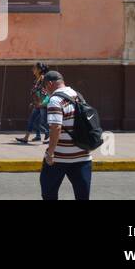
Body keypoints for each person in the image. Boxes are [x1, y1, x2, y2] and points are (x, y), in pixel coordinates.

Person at [39, 70, 92, 200]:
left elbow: (56, 127)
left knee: (48, 193)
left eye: (45, 86)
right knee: (82, 196)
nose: (45, 90)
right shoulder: (77, 95)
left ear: (50, 83)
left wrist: (50, 153)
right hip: (83, 156)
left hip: (59, 158)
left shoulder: (55, 100)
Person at [16, 62, 50, 144]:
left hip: (43, 104)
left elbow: (46, 91)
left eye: (34, 68)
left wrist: (43, 102)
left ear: (39, 70)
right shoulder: (37, 80)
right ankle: (26, 138)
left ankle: (51, 136)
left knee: (44, 122)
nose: (32, 70)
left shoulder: (43, 78)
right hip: (37, 103)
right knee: (32, 120)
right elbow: (36, 92)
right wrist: (34, 102)